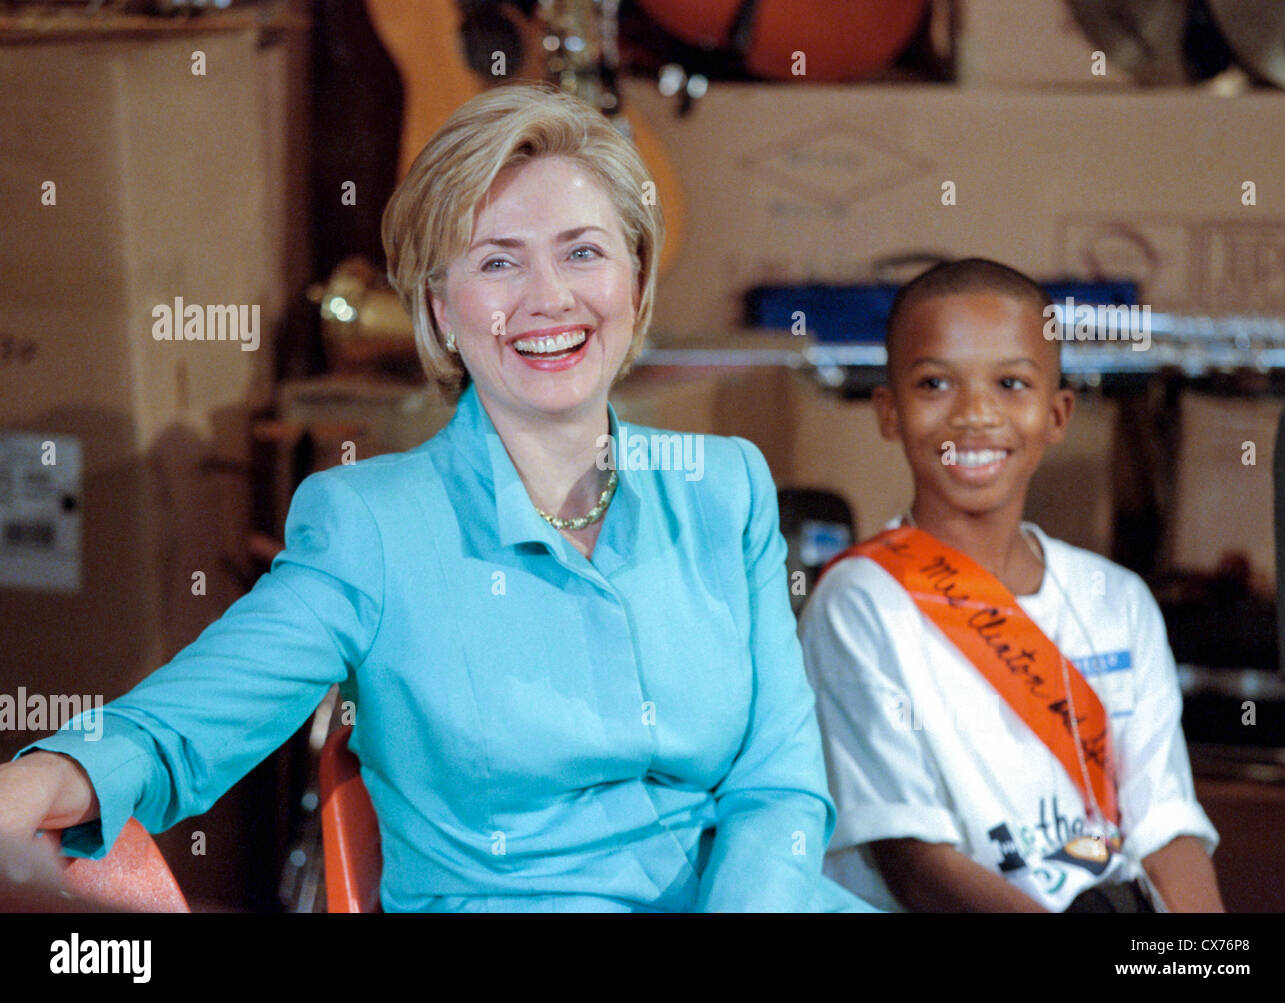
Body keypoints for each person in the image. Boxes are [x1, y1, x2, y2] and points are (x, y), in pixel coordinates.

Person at [0, 82, 871, 913]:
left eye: (583, 251)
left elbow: (780, 784)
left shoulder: (726, 486)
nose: (550, 298)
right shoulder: (371, 524)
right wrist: (33, 785)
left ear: (636, 281)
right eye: (499, 261)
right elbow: (184, 724)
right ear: (442, 309)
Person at [798, 258, 1223, 913]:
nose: (975, 414)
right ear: (889, 411)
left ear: (1057, 414)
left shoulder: (1118, 601)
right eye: (935, 382)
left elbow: (1166, 830)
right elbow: (915, 864)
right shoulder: (861, 603)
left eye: (1011, 383)